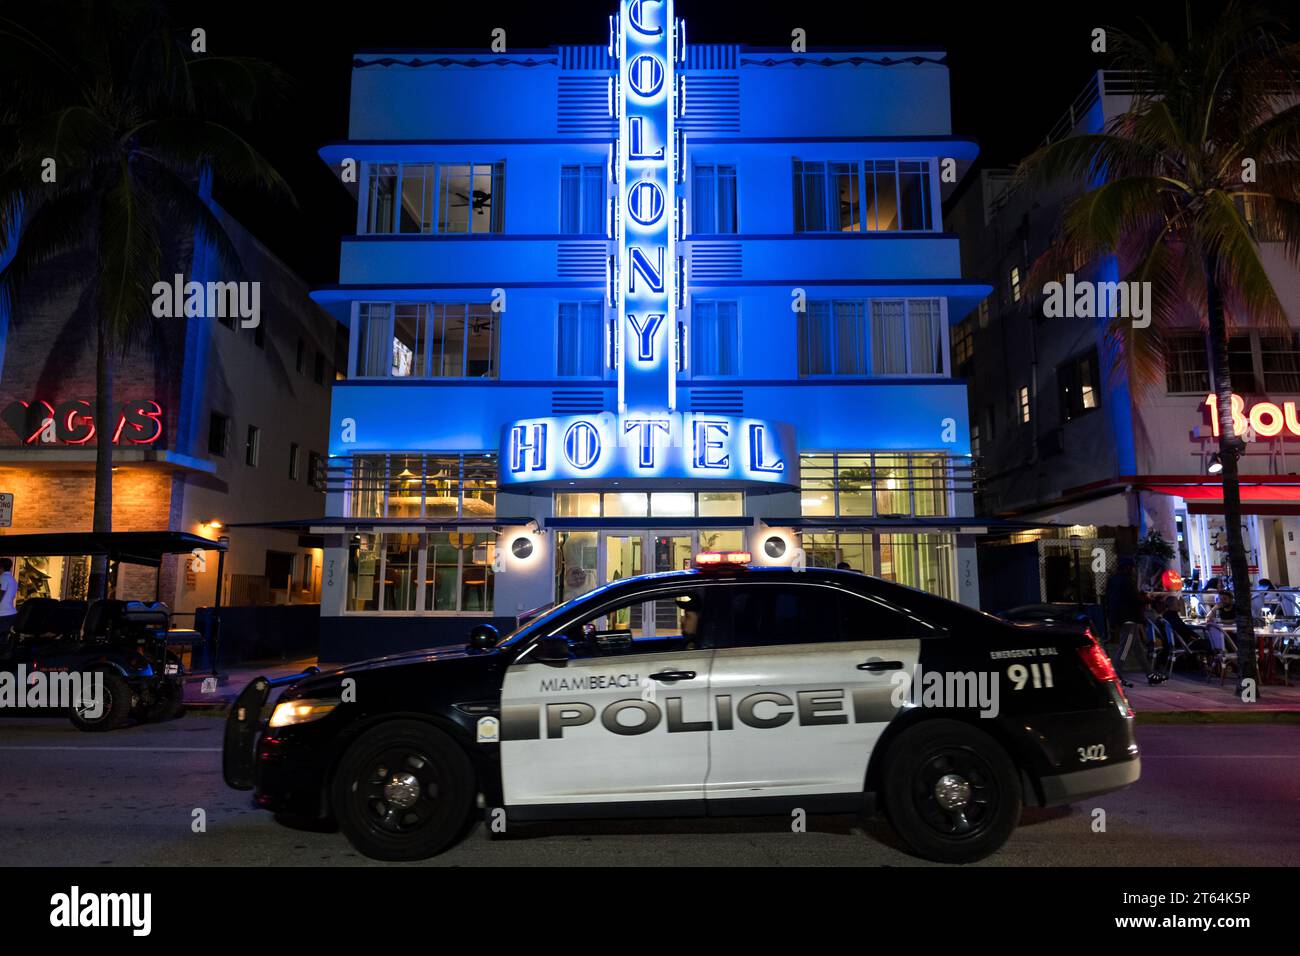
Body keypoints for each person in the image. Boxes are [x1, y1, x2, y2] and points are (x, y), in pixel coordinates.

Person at [1103, 556, 1162, 685]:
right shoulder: (1127, 581)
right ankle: (1116, 674)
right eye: (1133, 568)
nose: (1134, 570)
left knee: (1138, 648)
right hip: (1129, 618)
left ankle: (1150, 674)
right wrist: (1147, 599)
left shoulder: (1113, 580)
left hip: (1120, 618)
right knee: (1125, 648)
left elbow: (1109, 600)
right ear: (1129, 568)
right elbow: (1133, 600)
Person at [0, 558, 17, 640]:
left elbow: (1, 594)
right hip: (11, 614)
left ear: (1, 567)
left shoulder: (3, 578)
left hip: (3, 615)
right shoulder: (13, 579)